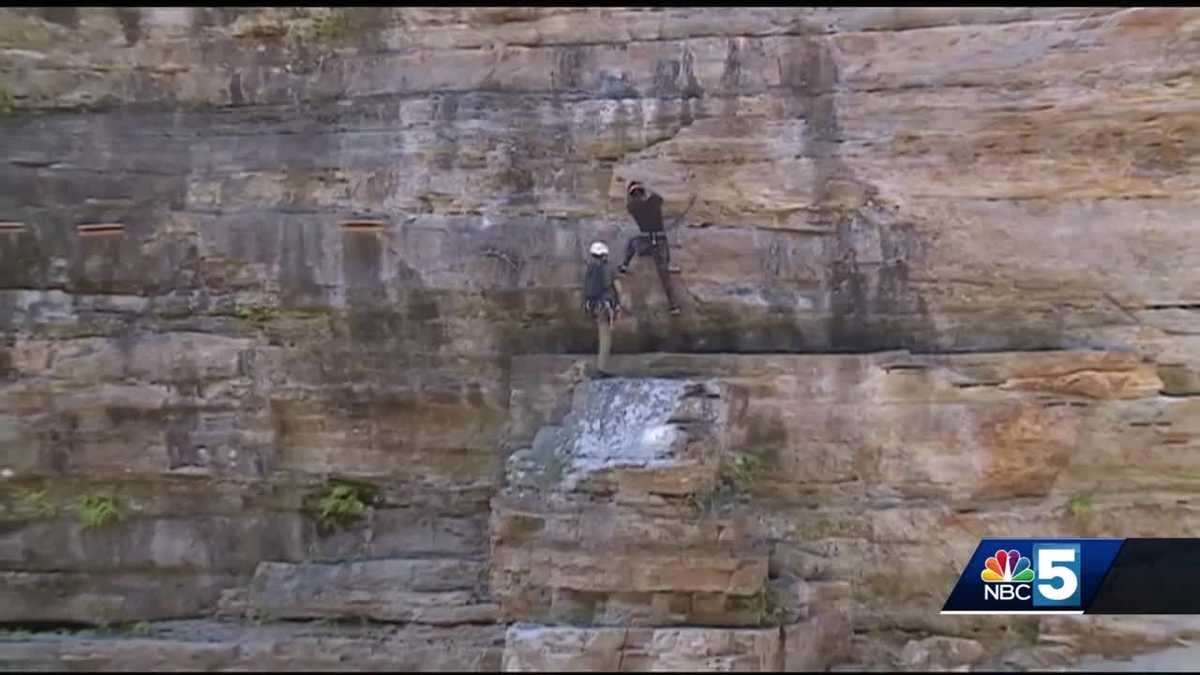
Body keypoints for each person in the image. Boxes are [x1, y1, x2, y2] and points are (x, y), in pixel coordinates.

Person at [619, 181, 682, 315]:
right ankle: (673, 305)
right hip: (659, 241)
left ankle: (624, 265)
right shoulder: (653, 202)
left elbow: (629, 202)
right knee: (664, 274)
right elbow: (659, 197)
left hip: (645, 242)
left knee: (632, 242)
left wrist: (630, 192)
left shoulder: (633, 207)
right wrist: (647, 189)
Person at [582, 241, 622, 378]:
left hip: (594, 306)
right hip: (606, 305)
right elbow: (618, 287)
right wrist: (619, 304)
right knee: (606, 336)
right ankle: (602, 368)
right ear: (604, 255)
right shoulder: (609, 268)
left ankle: (601, 365)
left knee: (601, 331)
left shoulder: (590, 268)